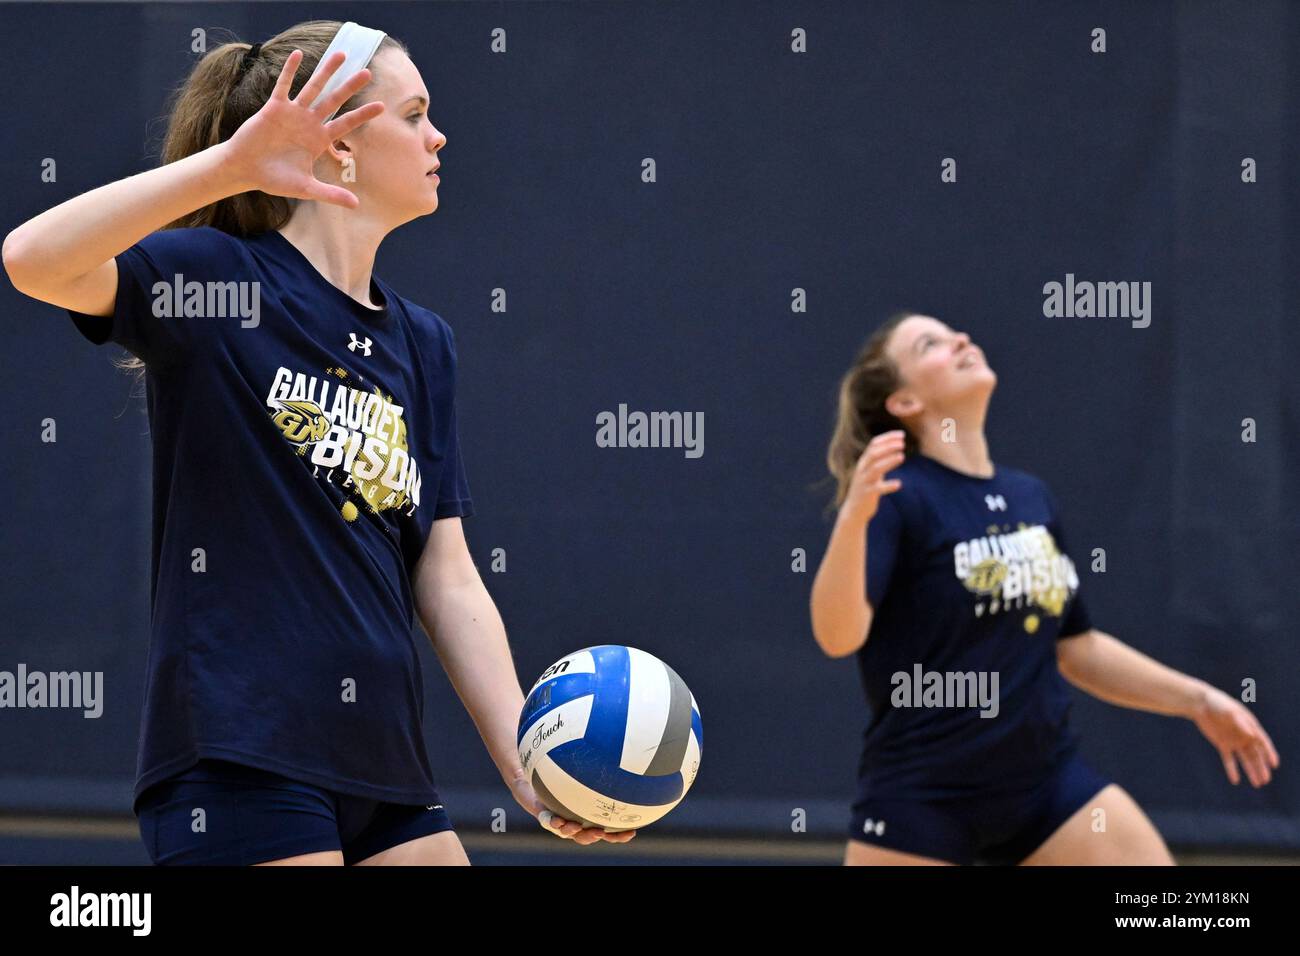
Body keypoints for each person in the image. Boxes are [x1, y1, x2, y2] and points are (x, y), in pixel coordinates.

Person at [2, 19, 634, 865]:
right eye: (414, 115)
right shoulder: (222, 281)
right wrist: (230, 166)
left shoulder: (425, 343)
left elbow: (446, 576)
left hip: (385, 764)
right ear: (339, 142)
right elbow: (32, 259)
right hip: (240, 750)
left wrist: (525, 756)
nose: (439, 135)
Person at [809, 311, 1279, 865]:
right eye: (930, 344)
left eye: (958, 330)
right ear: (905, 402)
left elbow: (1076, 648)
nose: (962, 337)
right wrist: (852, 520)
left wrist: (1198, 700)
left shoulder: (1031, 498)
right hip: (924, 798)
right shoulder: (895, 497)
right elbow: (839, 636)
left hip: (1044, 788)